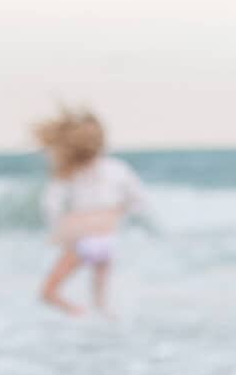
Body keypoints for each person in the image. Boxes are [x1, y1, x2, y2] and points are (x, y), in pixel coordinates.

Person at [33, 108, 152, 316]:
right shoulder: (117, 168)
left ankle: (78, 315)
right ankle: (103, 333)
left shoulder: (69, 173)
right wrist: (119, 213)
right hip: (108, 241)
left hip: (82, 242)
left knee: (48, 293)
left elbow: (50, 206)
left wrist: (63, 232)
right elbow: (139, 201)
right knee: (101, 303)